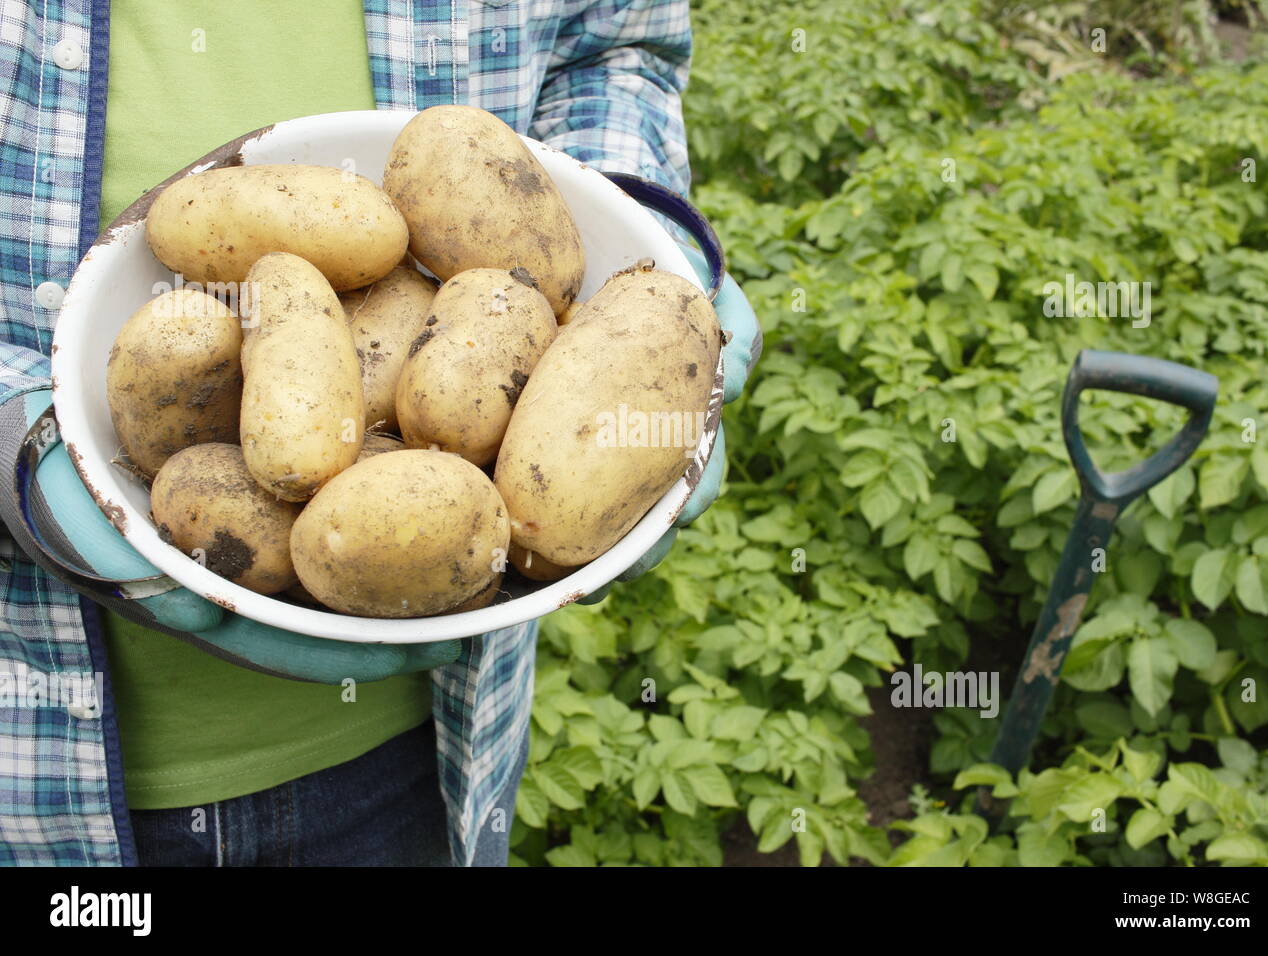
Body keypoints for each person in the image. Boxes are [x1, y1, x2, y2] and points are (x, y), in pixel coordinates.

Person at [0, 1, 760, 866]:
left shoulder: (442, 349)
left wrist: (639, 223)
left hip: (424, 736)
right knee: (203, 347)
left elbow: (619, 49)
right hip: (37, 777)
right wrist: (11, 459)